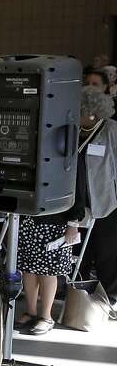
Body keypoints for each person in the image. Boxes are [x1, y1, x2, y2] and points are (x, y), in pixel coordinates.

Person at [77, 85, 117, 308]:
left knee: (106, 252)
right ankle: (79, 296)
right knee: (80, 250)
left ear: (93, 111)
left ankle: (110, 297)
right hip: (78, 202)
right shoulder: (73, 129)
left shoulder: (111, 130)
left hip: (106, 201)